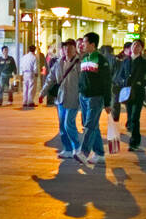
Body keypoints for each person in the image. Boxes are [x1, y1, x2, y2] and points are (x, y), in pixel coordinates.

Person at [77, 32, 112, 166]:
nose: (82, 44)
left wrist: (108, 102)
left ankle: (84, 152)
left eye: (85, 42)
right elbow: (82, 78)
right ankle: (99, 153)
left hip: (96, 98)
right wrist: (80, 92)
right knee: (93, 125)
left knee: (90, 125)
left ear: (92, 44)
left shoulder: (101, 60)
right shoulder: (85, 58)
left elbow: (107, 82)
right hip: (84, 96)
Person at [48, 39, 83, 160]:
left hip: (73, 98)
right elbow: (50, 78)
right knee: (62, 125)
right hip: (60, 98)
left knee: (68, 123)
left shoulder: (79, 63)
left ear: (75, 49)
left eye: (70, 48)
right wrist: (42, 93)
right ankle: (67, 149)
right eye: (65, 48)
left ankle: (77, 147)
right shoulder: (58, 63)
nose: (67, 50)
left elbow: (83, 82)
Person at [121, 39, 146, 151]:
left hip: (138, 92)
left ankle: (134, 142)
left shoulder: (144, 63)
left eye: (138, 45)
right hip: (127, 93)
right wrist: (123, 83)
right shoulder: (126, 61)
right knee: (130, 117)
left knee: (135, 117)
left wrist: (142, 82)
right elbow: (120, 75)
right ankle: (134, 138)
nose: (135, 47)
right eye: (134, 45)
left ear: (141, 49)